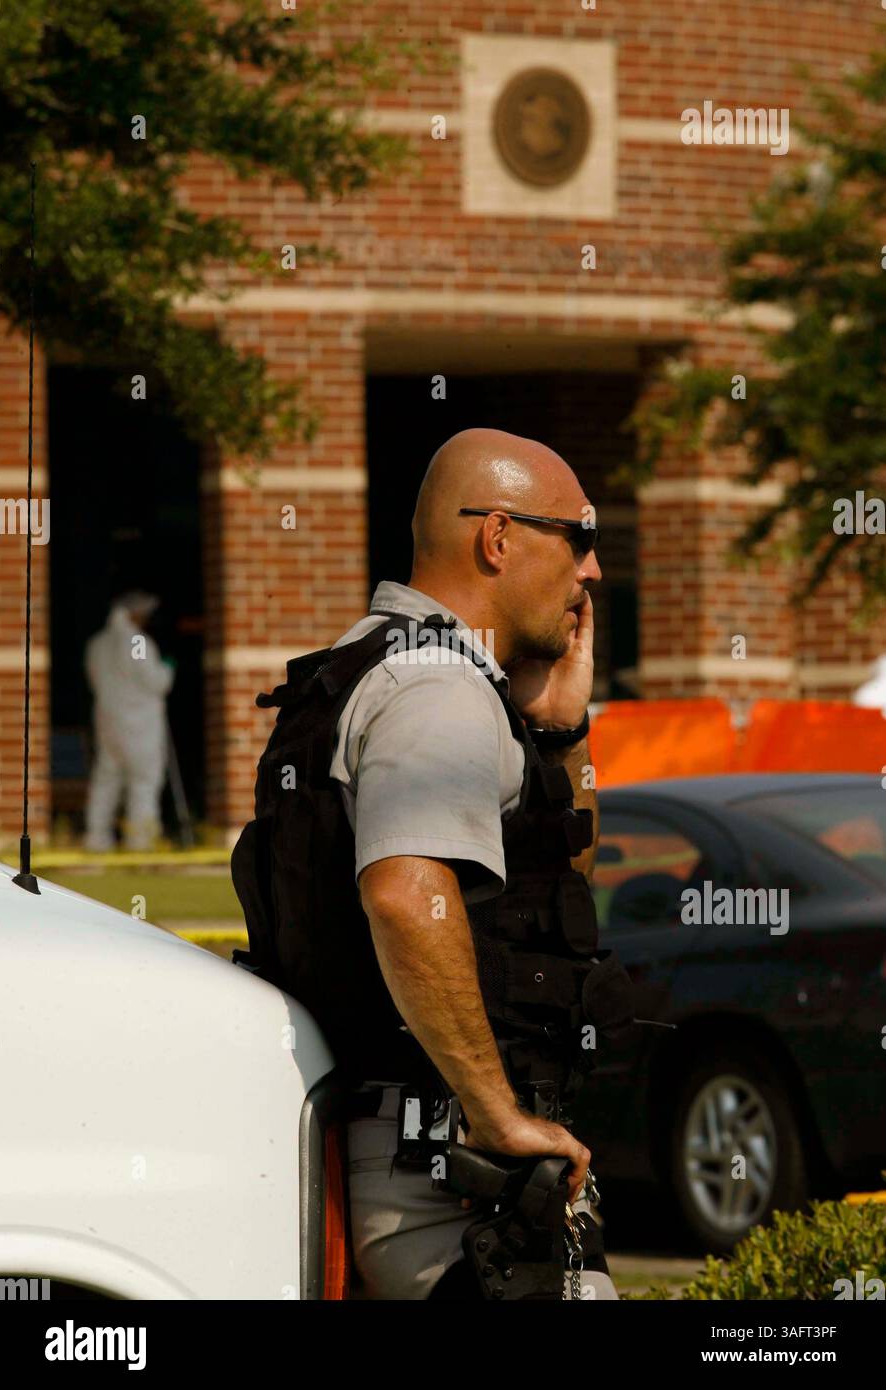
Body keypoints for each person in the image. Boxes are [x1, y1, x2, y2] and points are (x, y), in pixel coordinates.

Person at [236, 428, 628, 1300]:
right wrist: (496, 1114)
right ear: (497, 538)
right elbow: (407, 896)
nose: (592, 571)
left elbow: (554, 887)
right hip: (451, 1184)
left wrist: (559, 733)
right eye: (579, 537)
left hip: (424, 1165)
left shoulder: (380, 665)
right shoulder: (438, 689)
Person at [83, 591, 175, 852]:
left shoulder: (98, 643)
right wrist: (167, 668)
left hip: (108, 721)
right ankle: (141, 841)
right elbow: (156, 681)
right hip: (139, 724)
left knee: (106, 779)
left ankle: (96, 840)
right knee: (143, 781)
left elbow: (95, 680)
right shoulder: (136, 641)